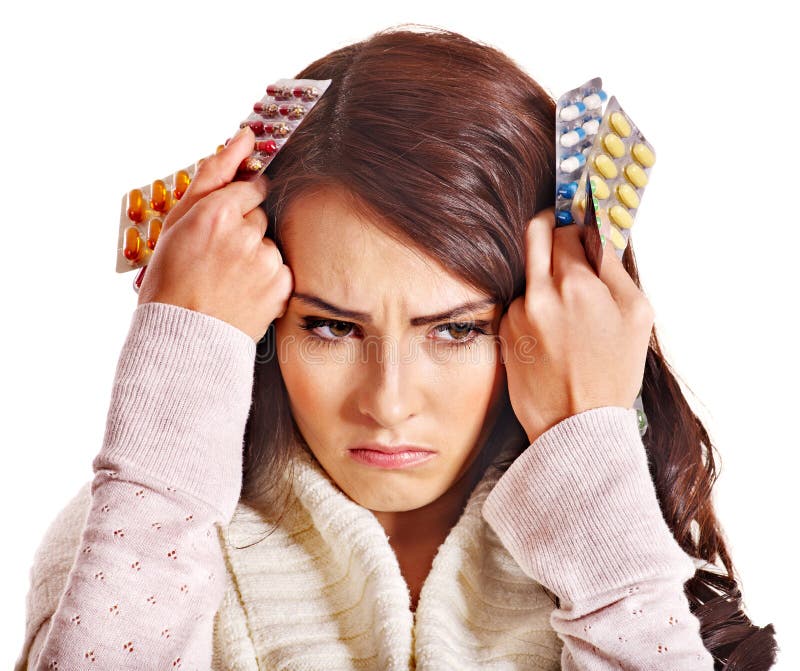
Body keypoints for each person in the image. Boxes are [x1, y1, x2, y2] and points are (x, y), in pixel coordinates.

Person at [16, 25, 778, 671]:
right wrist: (173, 385)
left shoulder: (627, 559)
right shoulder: (136, 531)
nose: (387, 402)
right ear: (264, 321)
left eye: (455, 329)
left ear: (552, 325)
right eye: (332, 326)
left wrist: (598, 474)